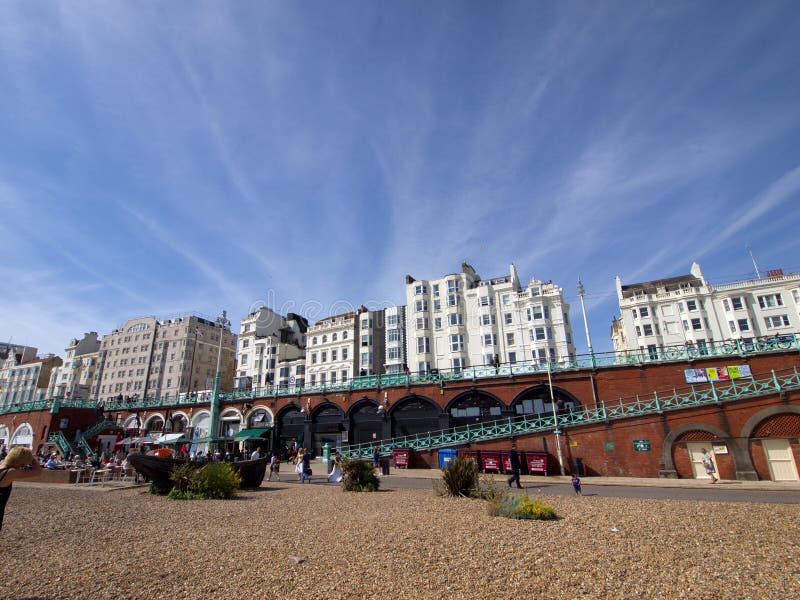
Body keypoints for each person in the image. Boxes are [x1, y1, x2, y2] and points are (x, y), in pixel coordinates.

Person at [1, 447, 43, 531]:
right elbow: (38, 471)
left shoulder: (1, 465)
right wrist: (31, 458)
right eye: (23, 464)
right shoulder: (10, 472)